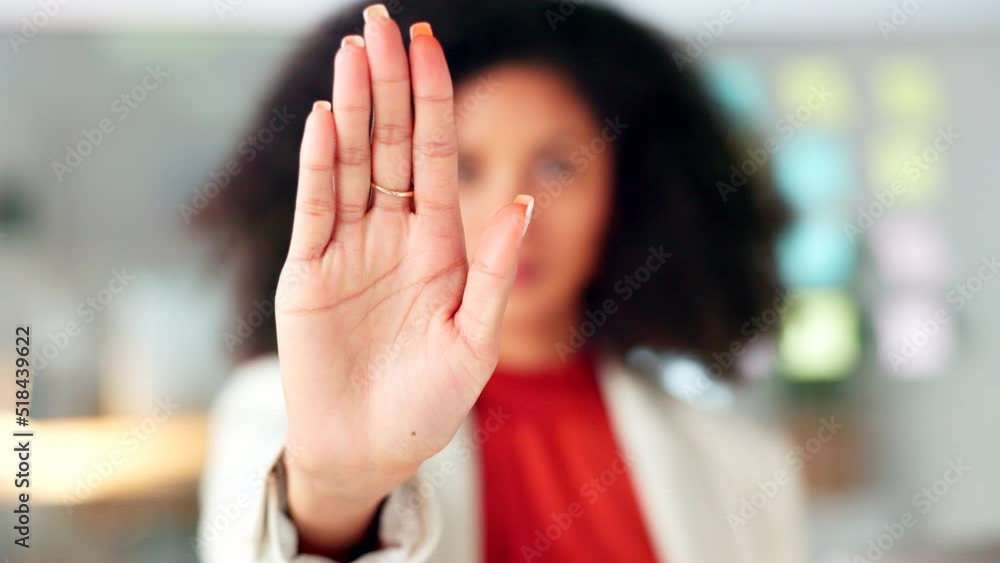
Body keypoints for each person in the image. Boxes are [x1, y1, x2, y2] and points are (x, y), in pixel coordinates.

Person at [196, 0, 805, 561]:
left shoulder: (744, 465)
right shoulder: (280, 417)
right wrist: (337, 491)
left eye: (558, 165)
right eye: (462, 167)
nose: (515, 210)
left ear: (629, 193)